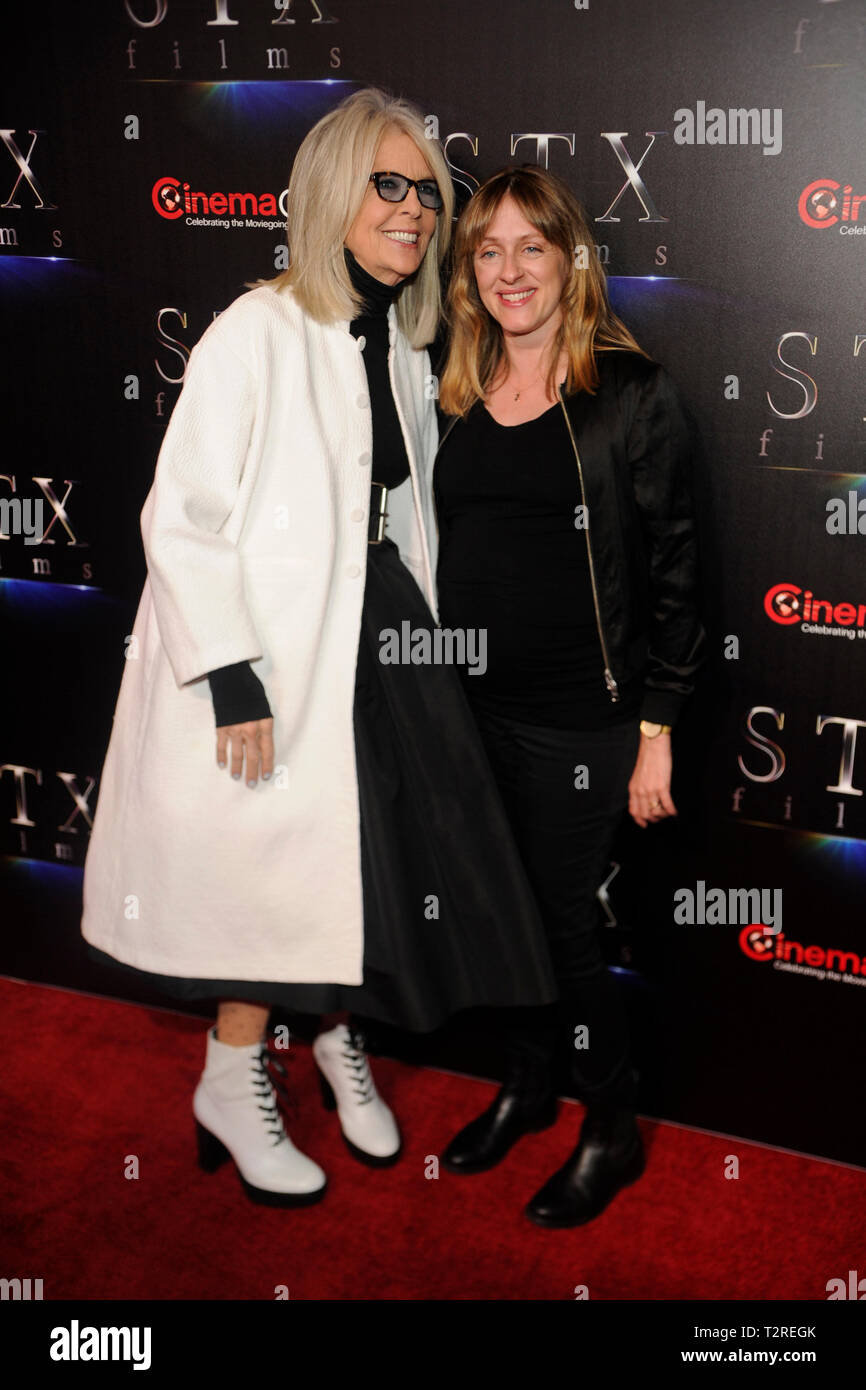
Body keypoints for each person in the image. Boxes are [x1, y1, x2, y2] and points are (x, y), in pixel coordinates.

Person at [81, 94, 558, 1208]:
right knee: (267, 863)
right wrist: (231, 674)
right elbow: (182, 513)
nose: (409, 209)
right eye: (385, 186)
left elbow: (396, 505)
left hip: (380, 628)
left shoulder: (398, 335)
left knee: (371, 852)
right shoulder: (257, 326)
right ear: (333, 194)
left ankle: (336, 1032)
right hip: (273, 646)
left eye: (422, 191)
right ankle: (231, 1072)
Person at [433, 164, 706, 1228]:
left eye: (528, 248)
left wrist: (656, 729)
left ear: (568, 259)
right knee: (502, 917)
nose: (507, 271)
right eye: (487, 250)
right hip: (469, 713)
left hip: (578, 723)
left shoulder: (629, 394)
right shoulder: (450, 389)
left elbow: (682, 573)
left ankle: (610, 1121)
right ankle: (527, 1083)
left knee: (561, 925)